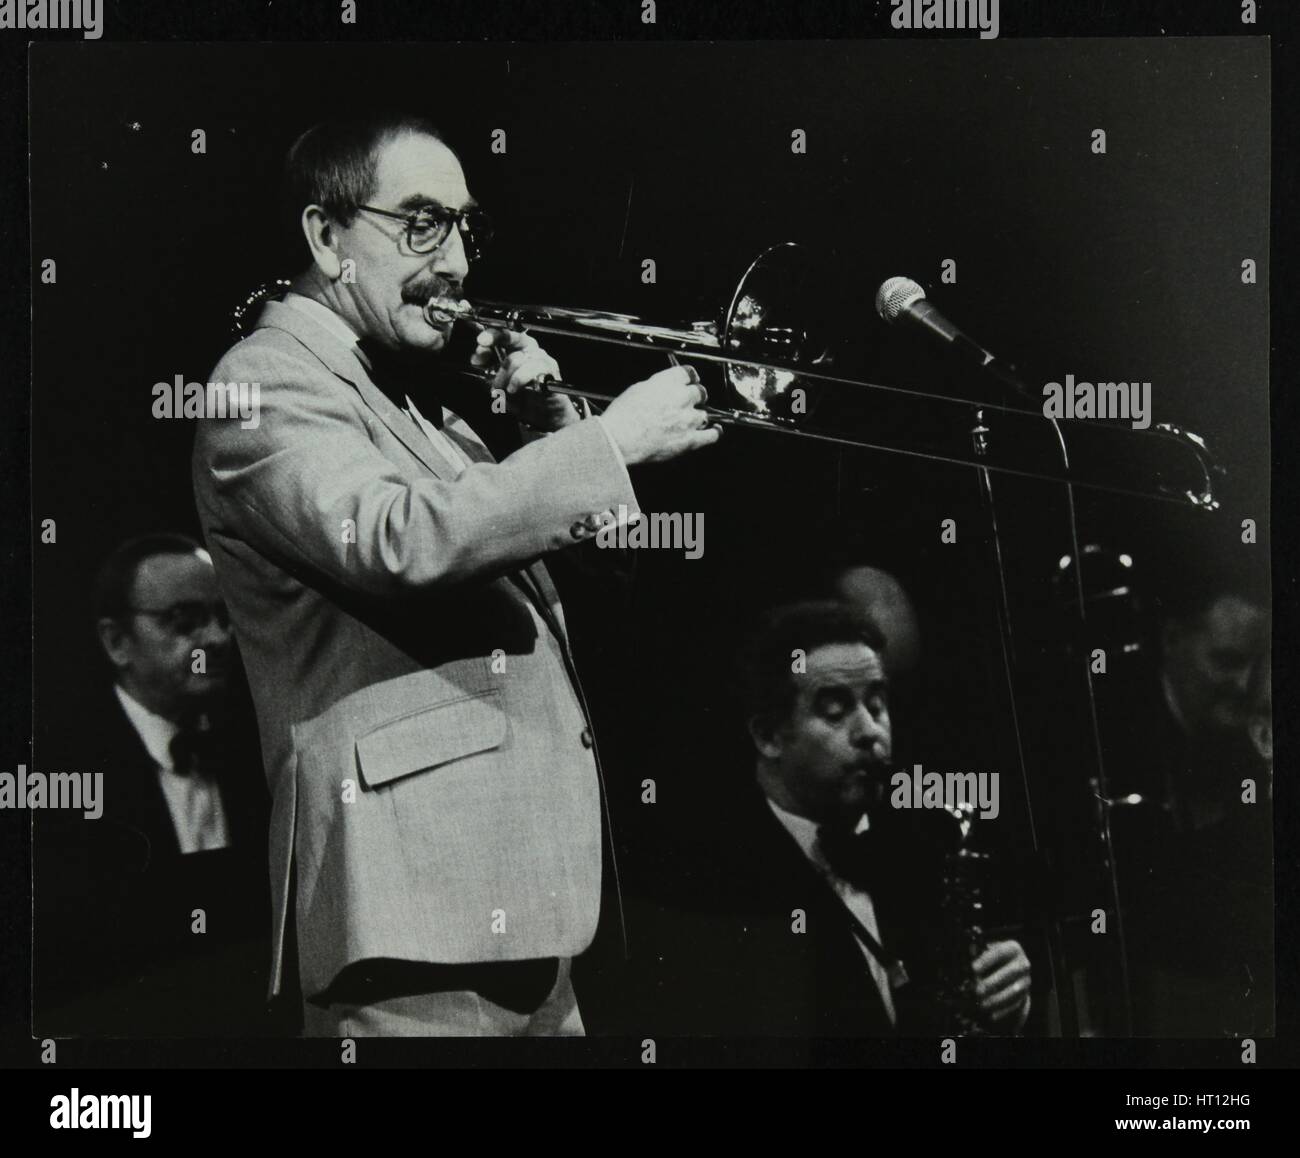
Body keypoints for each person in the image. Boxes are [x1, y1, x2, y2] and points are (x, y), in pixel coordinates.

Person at [191, 113, 718, 1036]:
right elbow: (397, 541)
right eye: (423, 222)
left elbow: (581, 595)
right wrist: (611, 441)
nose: (460, 262)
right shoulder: (262, 381)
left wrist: (555, 421)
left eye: (466, 225)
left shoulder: (430, 416)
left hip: (524, 905)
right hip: (408, 907)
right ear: (325, 235)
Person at [638, 601, 1033, 1036]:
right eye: (835, 710)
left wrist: (1006, 1002)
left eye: (878, 704)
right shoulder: (711, 880)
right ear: (769, 736)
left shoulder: (925, 842)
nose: (870, 731)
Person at [34, 533, 274, 1036]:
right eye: (184, 622)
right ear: (116, 642)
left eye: (224, 617)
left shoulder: (259, 750)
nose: (216, 639)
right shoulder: (54, 775)